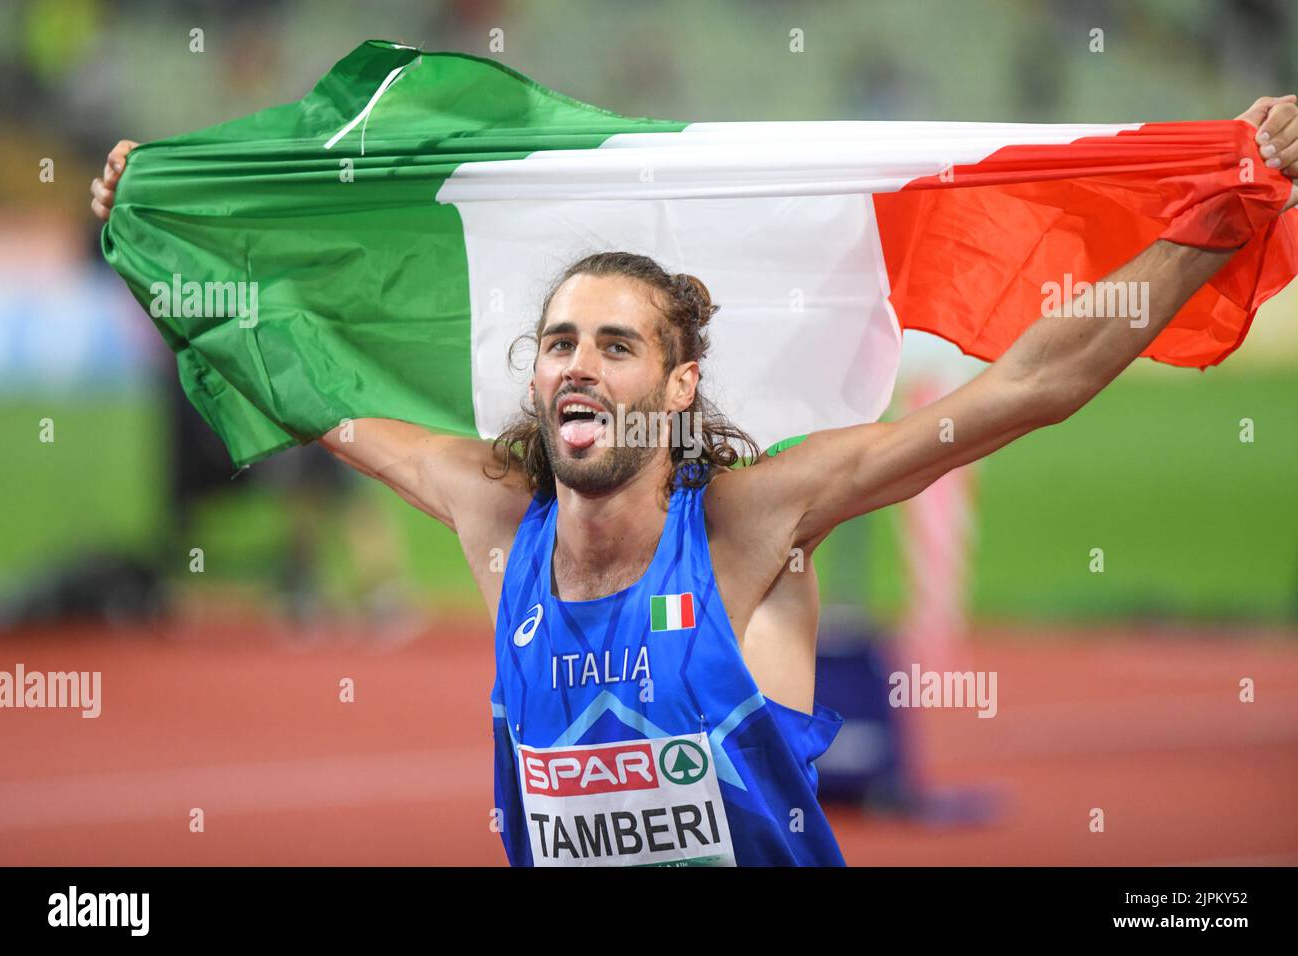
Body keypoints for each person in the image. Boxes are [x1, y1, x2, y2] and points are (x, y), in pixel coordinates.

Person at [91, 96, 1298, 866]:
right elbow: (309, 390)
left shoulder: (748, 525)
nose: (579, 363)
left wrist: (1215, 218)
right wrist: (160, 237)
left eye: (618, 345)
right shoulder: (494, 516)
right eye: (560, 340)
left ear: (678, 387)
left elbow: (1021, 389)